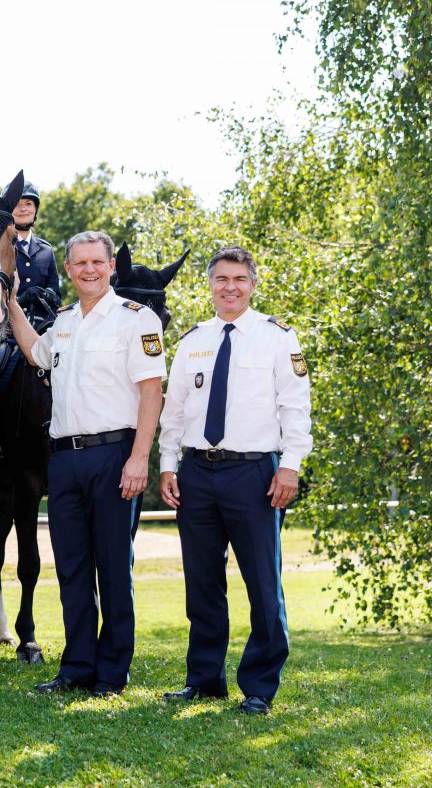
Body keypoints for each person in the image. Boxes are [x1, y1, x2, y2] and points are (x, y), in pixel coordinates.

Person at [6, 230, 166, 696]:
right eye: (79, 264)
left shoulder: (137, 320)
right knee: (73, 569)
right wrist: (13, 306)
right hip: (65, 461)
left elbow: (152, 392)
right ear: (70, 270)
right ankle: (76, 667)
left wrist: (140, 459)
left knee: (114, 568)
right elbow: (36, 353)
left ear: (111, 266)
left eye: (97, 262)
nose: (89, 270)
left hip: (115, 456)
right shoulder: (65, 321)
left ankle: (112, 673)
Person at [158, 246, 312, 715]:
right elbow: (175, 409)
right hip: (198, 472)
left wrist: (291, 465)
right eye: (222, 278)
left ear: (253, 284)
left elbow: (295, 406)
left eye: (239, 279)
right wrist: (168, 463)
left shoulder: (277, 338)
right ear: (210, 284)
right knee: (202, 583)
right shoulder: (193, 340)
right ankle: (205, 679)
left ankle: (260, 687)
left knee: (263, 582)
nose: (230, 286)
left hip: (254, 473)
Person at [12, 180, 61, 303]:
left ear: (35, 209)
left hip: (42, 320)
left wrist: (49, 295)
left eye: (28, 204)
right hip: (9, 319)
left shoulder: (46, 250)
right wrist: (19, 300)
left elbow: (56, 295)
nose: (23, 209)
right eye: (17, 204)